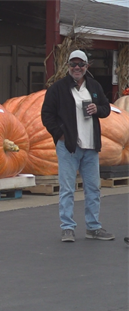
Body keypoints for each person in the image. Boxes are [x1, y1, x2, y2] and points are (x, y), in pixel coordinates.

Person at [41, 50, 114, 242]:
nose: (77, 68)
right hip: (69, 147)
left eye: (80, 64)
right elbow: (46, 115)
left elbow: (106, 108)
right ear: (68, 66)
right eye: (73, 64)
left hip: (91, 147)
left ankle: (93, 227)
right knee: (67, 188)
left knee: (93, 188)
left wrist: (97, 109)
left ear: (87, 66)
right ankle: (67, 228)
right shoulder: (57, 89)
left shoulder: (94, 86)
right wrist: (60, 134)